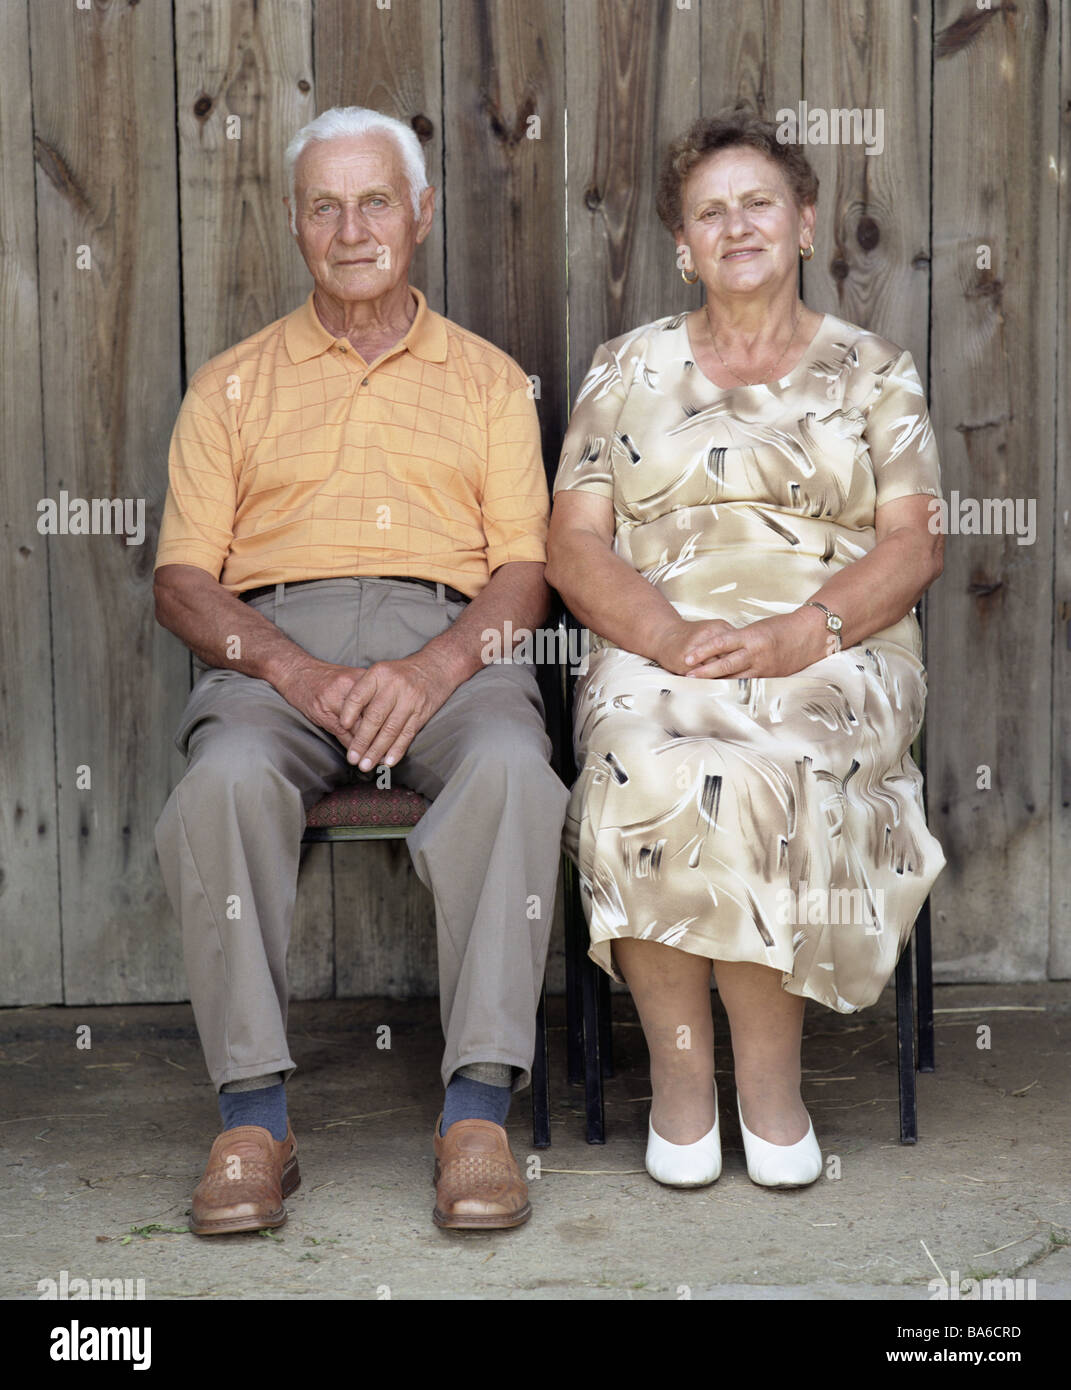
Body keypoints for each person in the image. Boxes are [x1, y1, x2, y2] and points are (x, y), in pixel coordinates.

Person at [153, 106, 568, 1234]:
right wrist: (294, 669)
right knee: (223, 782)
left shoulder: (488, 382)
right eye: (325, 206)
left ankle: (477, 1111)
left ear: (421, 213)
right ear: (294, 226)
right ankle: (254, 1121)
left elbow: (526, 570)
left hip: (455, 645)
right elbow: (185, 582)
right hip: (272, 654)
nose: (352, 228)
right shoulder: (229, 385)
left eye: (375, 199)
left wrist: (434, 669)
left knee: (516, 776)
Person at [546, 108, 946, 1191]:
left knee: (770, 766)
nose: (737, 227)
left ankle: (769, 1090)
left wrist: (794, 634)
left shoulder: (875, 371)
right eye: (709, 212)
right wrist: (669, 634)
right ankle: (683, 1086)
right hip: (658, 636)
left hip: (833, 638)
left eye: (758, 202)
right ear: (682, 244)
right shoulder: (622, 367)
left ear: (806, 222)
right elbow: (574, 548)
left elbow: (914, 546)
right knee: (645, 759)